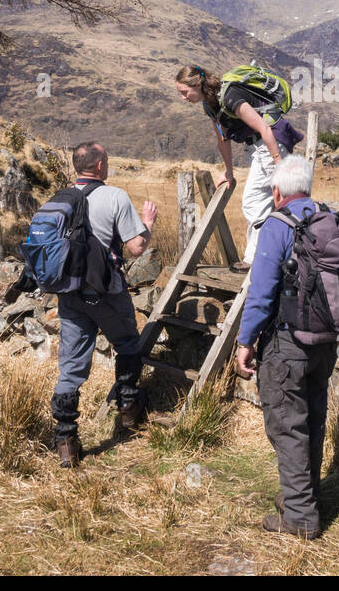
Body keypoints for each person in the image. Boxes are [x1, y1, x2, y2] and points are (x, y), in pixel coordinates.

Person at [234, 155, 339, 539]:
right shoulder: (332, 221)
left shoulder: (278, 225)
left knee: (287, 426)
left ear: (276, 191)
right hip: (327, 342)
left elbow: (261, 291)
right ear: (307, 187)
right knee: (311, 418)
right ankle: (302, 498)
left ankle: (300, 519)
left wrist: (245, 341)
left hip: (286, 342)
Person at [50, 141, 157, 468]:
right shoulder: (114, 196)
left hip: (69, 293)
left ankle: (66, 441)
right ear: (98, 166)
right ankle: (128, 410)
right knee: (127, 343)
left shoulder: (59, 199)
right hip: (106, 290)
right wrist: (148, 222)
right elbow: (136, 247)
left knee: (70, 368)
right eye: (107, 160)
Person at [174, 64, 302, 264]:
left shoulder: (229, 96)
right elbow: (223, 139)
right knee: (267, 203)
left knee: (254, 203)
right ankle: (272, 257)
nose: (183, 97)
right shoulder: (210, 105)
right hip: (258, 149)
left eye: (184, 92)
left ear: (197, 84)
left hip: (271, 144)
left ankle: (256, 262)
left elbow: (265, 128)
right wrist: (228, 172)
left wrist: (279, 164)